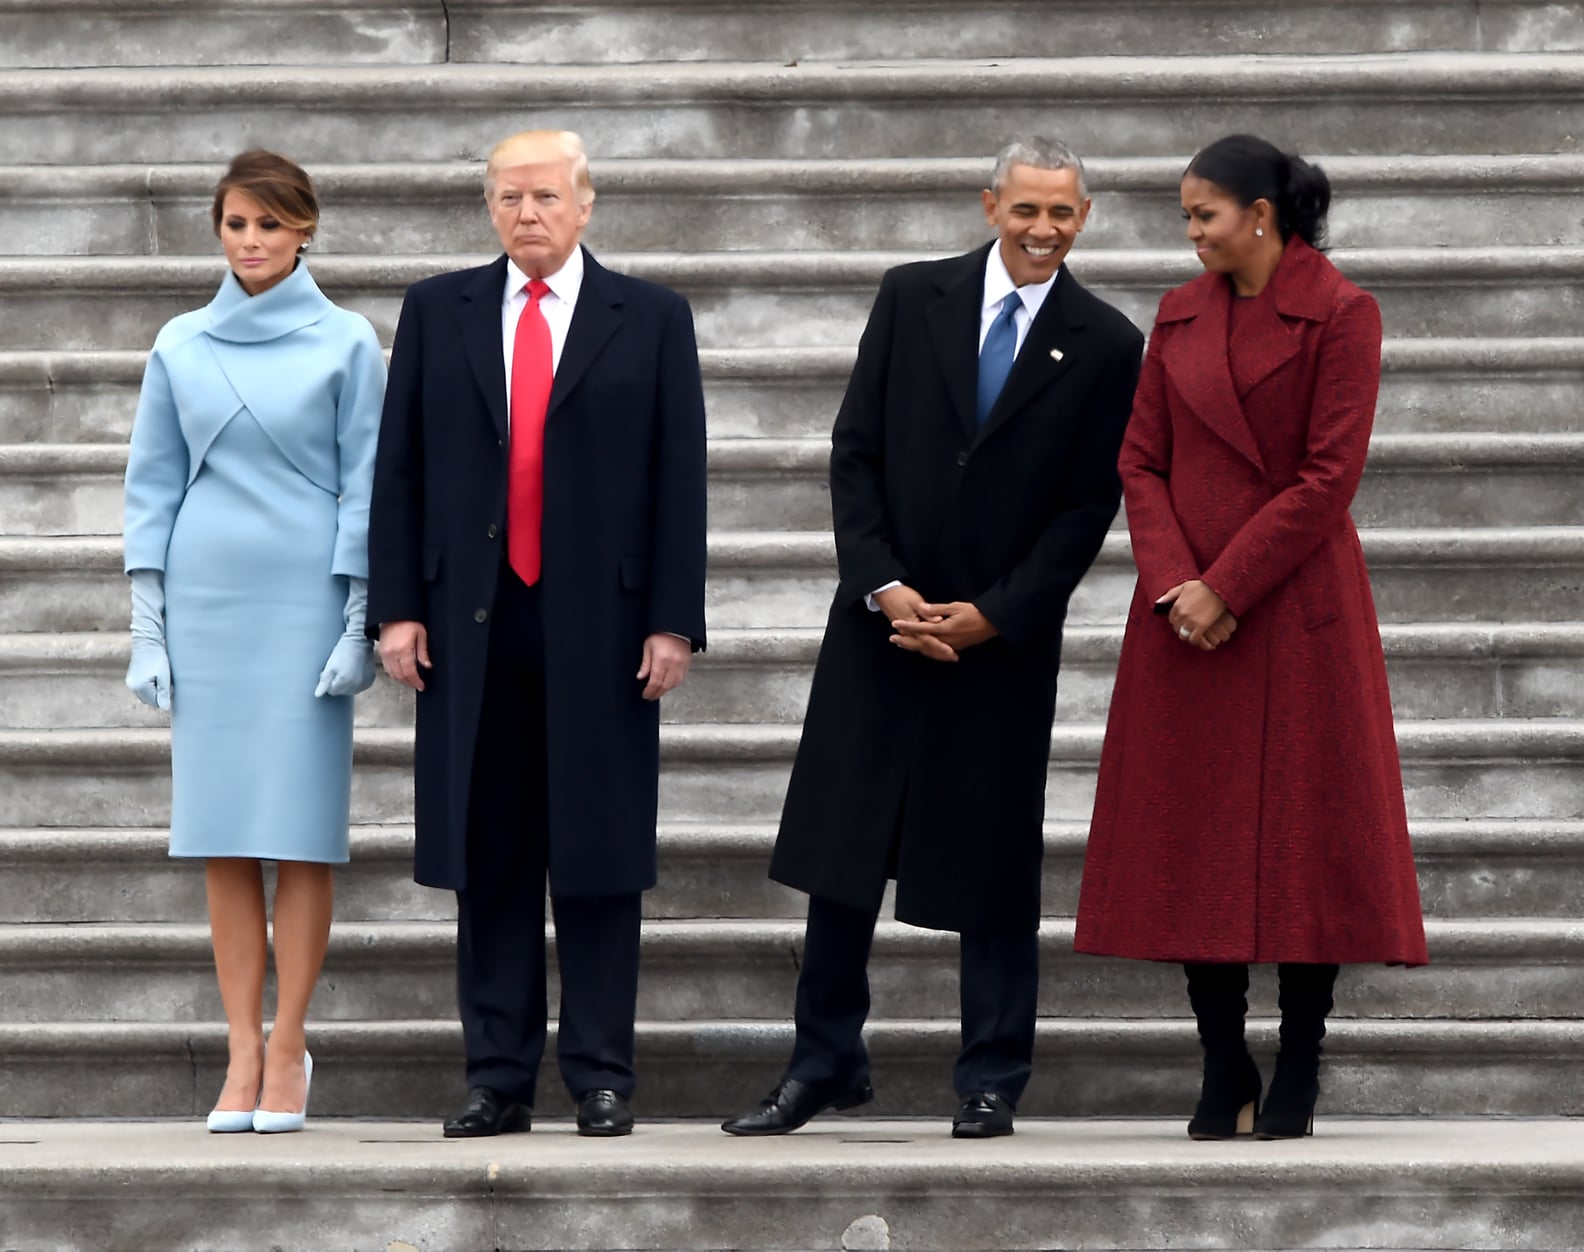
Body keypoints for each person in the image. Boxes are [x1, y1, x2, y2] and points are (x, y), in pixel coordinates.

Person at [720, 137, 1144, 1140]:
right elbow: (856, 448)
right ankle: (823, 1061)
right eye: (1026, 209)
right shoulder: (912, 296)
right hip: (881, 625)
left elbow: (1088, 505)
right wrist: (882, 583)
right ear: (991, 205)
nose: (1043, 229)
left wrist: (999, 611)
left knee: (992, 861)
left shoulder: (1106, 341)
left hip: (999, 644)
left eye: (1063, 213)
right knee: (843, 853)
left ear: (1085, 218)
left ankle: (992, 1074)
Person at [1074, 134, 1429, 1141]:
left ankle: (1301, 1060)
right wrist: (1177, 584)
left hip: (1296, 606)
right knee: (1196, 836)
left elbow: (1329, 476)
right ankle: (1222, 1060)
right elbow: (1140, 461)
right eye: (1187, 216)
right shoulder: (1178, 312)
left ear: (1260, 217)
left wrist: (1226, 584)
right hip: (1184, 617)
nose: (1190, 232)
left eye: (1204, 215)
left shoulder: (1343, 312)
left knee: (1309, 839)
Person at [367, 129, 707, 1139]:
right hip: (470, 625)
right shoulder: (439, 310)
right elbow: (399, 469)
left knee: (600, 852)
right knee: (490, 856)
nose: (528, 213)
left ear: (585, 204)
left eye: (547, 196)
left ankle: (601, 1074)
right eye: (510, 196)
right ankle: (497, 1076)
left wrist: (673, 619)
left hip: (603, 626)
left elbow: (679, 477)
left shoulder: (650, 317)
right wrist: (397, 606)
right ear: (490, 206)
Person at [122, 150, 384, 1134]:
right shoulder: (180, 343)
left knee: (300, 834)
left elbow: (366, 482)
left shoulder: (348, 341)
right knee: (222, 833)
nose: (251, 241)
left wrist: (358, 619)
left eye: (269, 224)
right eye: (236, 223)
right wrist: (147, 625)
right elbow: (151, 483)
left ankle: (289, 1045)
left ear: (304, 229)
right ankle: (241, 1046)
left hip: (305, 602)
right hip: (209, 603)